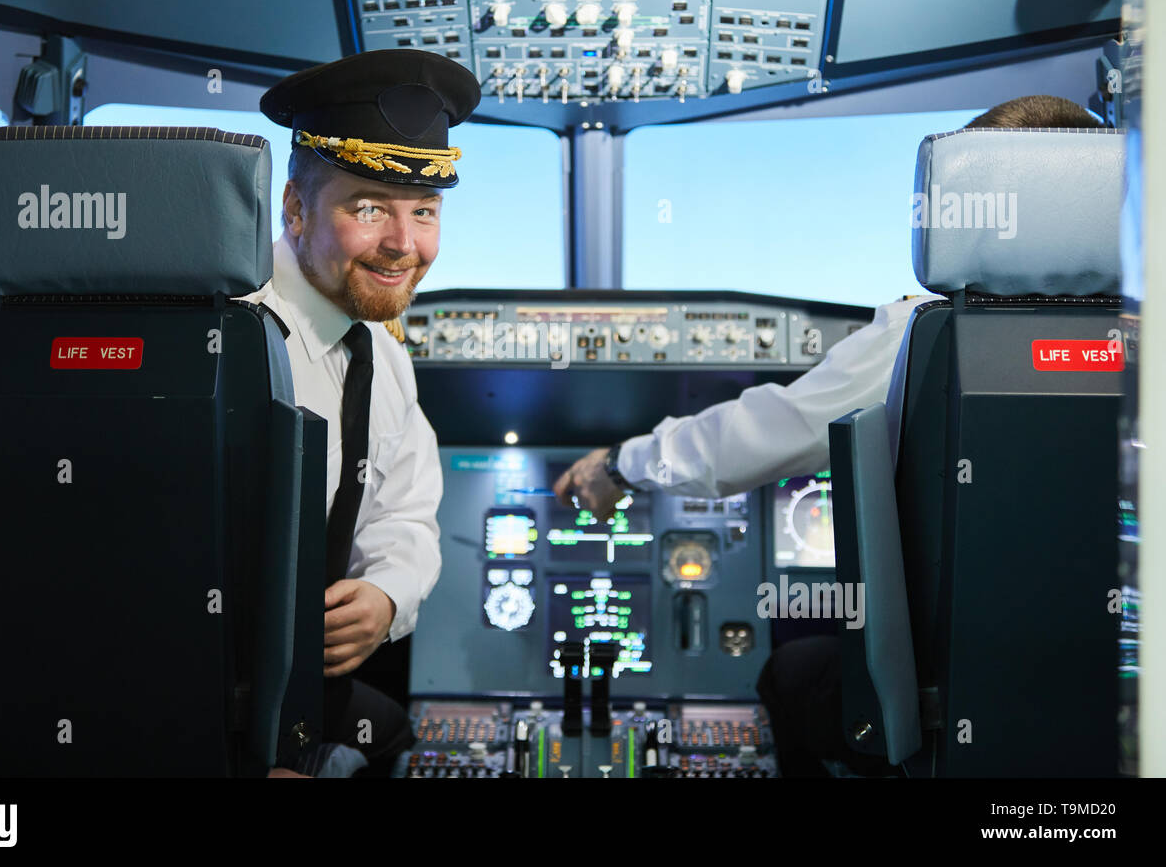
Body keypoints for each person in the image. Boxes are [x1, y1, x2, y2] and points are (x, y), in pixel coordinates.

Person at [552, 94, 1108, 775]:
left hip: (951, 702)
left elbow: (763, 436)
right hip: (1116, 702)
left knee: (790, 673)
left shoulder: (924, 335)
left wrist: (619, 465)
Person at [244, 49, 481, 776]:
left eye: (425, 213)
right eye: (369, 207)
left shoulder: (385, 358)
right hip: (191, 686)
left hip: (301, 685)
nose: (404, 246)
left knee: (393, 735)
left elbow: (407, 515)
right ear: (294, 208)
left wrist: (385, 594)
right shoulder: (225, 331)